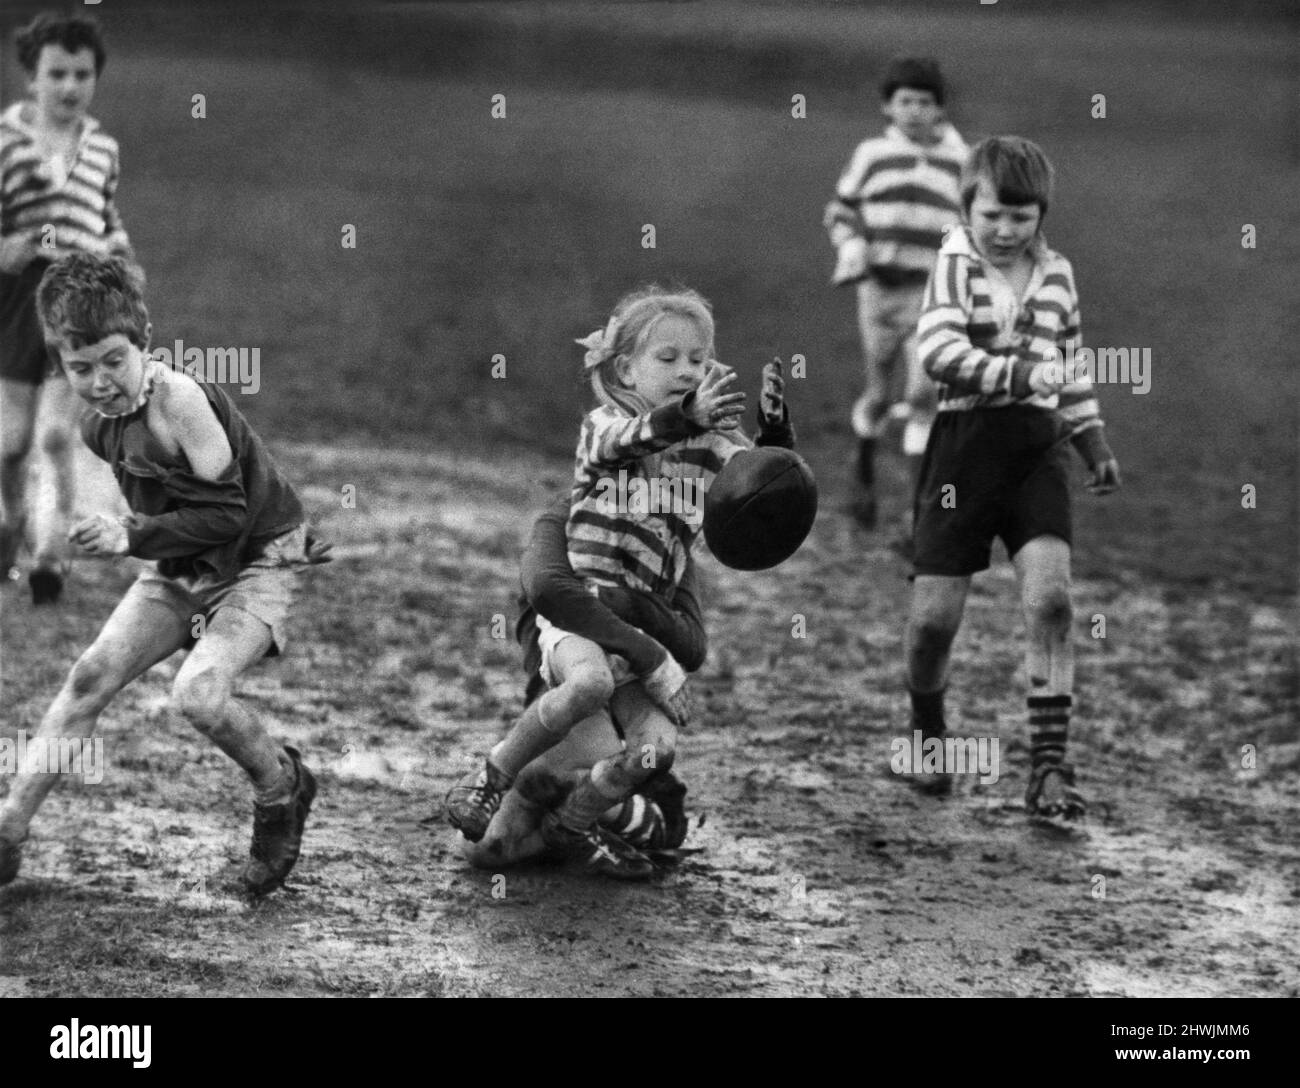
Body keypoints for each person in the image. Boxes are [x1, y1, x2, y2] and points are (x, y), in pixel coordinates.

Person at [0, 254, 329, 894]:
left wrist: (129, 535)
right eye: (80, 368)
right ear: (60, 365)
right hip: (180, 566)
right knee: (90, 674)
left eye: (114, 360)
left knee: (197, 694)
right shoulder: (93, 421)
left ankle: (281, 785)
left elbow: (228, 514)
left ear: (144, 341)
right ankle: (9, 828)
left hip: (257, 558)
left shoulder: (179, 400)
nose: (100, 381)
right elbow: (146, 494)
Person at [446, 285, 793, 878]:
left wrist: (778, 440)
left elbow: (758, 491)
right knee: (585, 689)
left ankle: (576, 824)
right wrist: (682, 418)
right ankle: (491, 775)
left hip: (639, 642)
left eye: (699, 359)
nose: (687, 370)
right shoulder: (605, 424)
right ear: (625, 367)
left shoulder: (708, 448)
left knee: (657, 749)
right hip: (582, 626)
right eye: (668, 358)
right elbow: (619, 444)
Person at [904, 137, 1121, 822]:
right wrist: (1018, 374)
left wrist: (1090, 438)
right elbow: (937, 351)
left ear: (1041, 216)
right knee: (935, 622)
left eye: (1020, 218)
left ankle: (1049, 769)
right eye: (992, 214)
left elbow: (1072, 364)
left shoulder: (1059, 273)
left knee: (1052, 603)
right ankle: (928, 732)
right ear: (967, 207)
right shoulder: (954, 266)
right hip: (963, 454)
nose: (1004, 230)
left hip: (1038, 452)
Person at [461, 495, 703, 871]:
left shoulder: (669, 538)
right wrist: (648, 646)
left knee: (666, 823)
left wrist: (622, 604)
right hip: (571, 702)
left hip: (630, 729)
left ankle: (578, 821)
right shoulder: (566, 521)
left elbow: (692, 643)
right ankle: (561, 815)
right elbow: (550, 590)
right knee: (486, 848)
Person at [0, 13, 133, 603]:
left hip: (76, 302)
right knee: (9, 442)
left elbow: (109, 220)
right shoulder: (5, 144)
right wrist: (15, 247)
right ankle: (12, 525)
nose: (70, 86)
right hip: (15, 299)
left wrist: (125, 258)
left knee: (56, 435)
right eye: (57, 73)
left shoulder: (103, 147)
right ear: (32, 77)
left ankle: (53, 552)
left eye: (82, 74)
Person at [823, 56, 968, 531]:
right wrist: (851, 246)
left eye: (925, 102)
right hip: (878, 293)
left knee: (925, 393)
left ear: (940, 109)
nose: (914, 110)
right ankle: (863, 468)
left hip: (930, 293)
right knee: (882, 393)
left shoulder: (961, 162)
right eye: (904, 101)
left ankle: (917, 512)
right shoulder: (871, 154)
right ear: (887, 106)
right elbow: (840, 212)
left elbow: (973, 227)